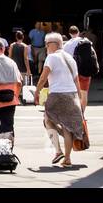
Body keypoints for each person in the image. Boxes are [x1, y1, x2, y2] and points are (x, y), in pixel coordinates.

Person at [34, 32, 85, 166]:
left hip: (57, 95)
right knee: (68, 127)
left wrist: (37, 92)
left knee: (47, 121)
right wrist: (79, 97)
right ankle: (67, 158)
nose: (45, 47)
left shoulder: (51, 57)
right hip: (72, 95)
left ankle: (58, 151)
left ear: (54, 44)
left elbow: (43, 77)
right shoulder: (70, 58)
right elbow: (76, 80)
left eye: (47, 44)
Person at [70, 28, 99, 112]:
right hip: (86, 73)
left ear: (69, 33)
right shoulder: (87, 43)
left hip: (75, 72)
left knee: (74, 94)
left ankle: (75, 113)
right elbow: (94, 56)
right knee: (84, 94)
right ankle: (82, 114)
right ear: (78, 33)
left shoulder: (68, 44)